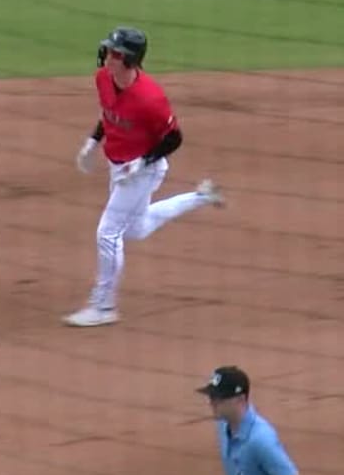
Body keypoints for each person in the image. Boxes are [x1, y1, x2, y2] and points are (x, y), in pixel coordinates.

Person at [62, 27, 226, 328]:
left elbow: (174, 138)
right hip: (118, 166)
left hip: (142, 171)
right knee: (135, 230)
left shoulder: (150, 98)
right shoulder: (103, 79)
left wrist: (142, 162)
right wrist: (92, 142)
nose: (107, 56)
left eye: (114, 53)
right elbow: (108, 113)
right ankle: (202, 195)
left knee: (108, 233)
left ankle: (103, 306)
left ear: (129, 59)